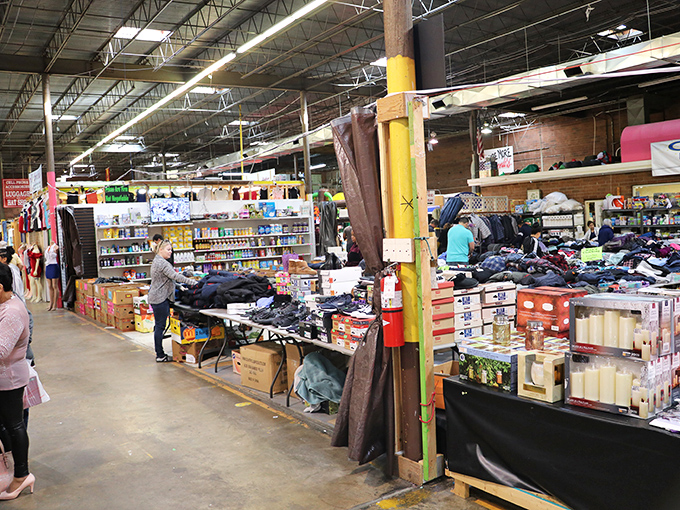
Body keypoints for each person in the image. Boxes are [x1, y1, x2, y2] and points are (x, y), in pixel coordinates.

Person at [0, 263, 34, 500]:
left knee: (14, 425)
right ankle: (10, 468)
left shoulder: (12, 312)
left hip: (9, 378)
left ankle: (22, 475)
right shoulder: (5, 306)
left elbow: (1, 350)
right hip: (5, 377)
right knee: (7, 425)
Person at [148, 241, 197, 362]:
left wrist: (179, 287)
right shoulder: (162, 263)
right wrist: (192, 282)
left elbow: (168, 279)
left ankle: (160, 353)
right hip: (160, 299)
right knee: (160, 327)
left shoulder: (157, 261)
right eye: (168, 250)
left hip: (157, 297)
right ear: (161, 250)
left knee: (159, 326)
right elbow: (175, 276)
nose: (171, 252)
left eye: (171, 250)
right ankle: (160, 355)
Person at [45, 243, 59, 311]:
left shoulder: (55, 246)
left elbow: (55, 254)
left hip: (54, 265)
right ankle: (51, 302)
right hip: (48, 266)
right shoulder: (48, 247)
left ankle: (55, 304)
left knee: (54, 285)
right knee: (50, 286)